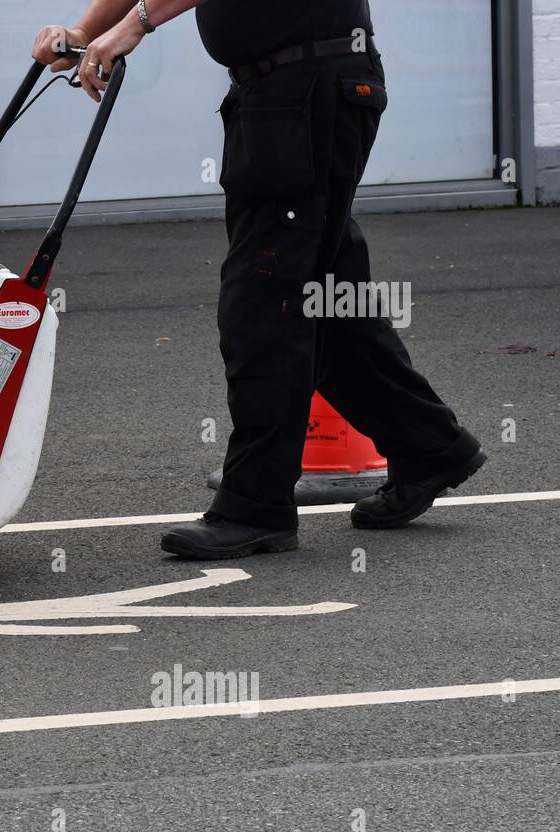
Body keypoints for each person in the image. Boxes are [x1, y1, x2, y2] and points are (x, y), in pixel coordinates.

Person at [33, 0, 485, 559]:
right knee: (329, 303)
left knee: (264, 304)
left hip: (305, 92)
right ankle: (431, 447)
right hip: (289, 94)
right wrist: (84, 31)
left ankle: (256, 507)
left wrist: (134, 27)